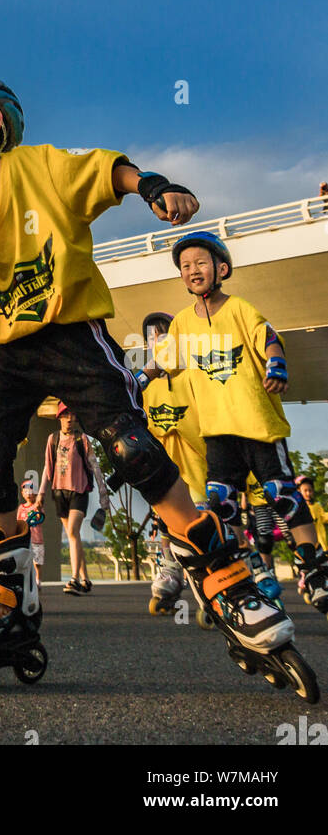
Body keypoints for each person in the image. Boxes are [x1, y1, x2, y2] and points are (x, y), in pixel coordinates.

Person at [0, 68, 290, 660]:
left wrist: (152, 186)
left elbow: (105, 171)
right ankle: (3, 587)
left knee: (128, 447)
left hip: (72, 335)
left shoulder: (37, 167)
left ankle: (221, 574)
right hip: (6, 351)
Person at [153, 230, 328, 617]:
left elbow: (268, 335)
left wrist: (275, 361)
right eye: (185, 267)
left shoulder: (239, 308)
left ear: (222, 268)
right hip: (217, 432)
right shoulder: (181, 323)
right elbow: (161, 364)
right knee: (222, 505)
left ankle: (313, 567)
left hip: (256, 423)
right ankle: (243, 576)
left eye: (200, 263)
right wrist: (128, 378)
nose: (192, 271)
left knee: (281, 492)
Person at [36, 403, 108, 594]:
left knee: (73, 532)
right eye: (65, 415)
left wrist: (103, 495)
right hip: (59, 492)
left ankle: (74, 579)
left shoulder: (82, 439)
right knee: (71, 536)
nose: (69, 419)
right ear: (59, 417)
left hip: (79, 491)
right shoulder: (53, 439)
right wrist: (41, 494)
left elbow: (95, 466)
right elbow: (46, 468)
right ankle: (86, 579)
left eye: (71, 415)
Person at [16, 472, 45, 585]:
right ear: (22, 493)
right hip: (25, 540)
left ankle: (38, 580)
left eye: (31, 491)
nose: (29, 493)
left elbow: (40, 517)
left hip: (36, 539)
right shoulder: (21, 508)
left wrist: (38, 507)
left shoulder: (37, 506)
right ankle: (27, 581)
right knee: (25, 562)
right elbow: (18, 522)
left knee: (37, 562)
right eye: (26, 491)